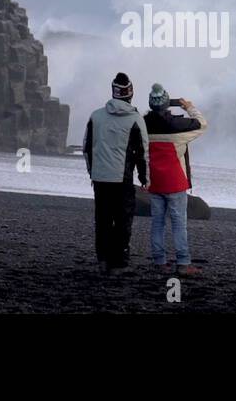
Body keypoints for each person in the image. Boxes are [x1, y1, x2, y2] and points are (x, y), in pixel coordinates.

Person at [83, 73, 149, 274]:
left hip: (100, 178)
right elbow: (142, 152)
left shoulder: (96, 116)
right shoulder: (136, 119)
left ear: (113, 92)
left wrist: (92, 172)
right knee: (122, 220)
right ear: (130, 93)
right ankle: (118, 262)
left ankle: (103, 259)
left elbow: (87, 148)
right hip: (122, 180)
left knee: (102, 220)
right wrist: (144, 178)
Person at [143, 83, 207, 276]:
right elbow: (202, 124)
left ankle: (159, 261)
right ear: (166, 105)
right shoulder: (177, 127)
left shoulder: (143, 125)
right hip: (175, 182)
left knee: (157, 222)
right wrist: (188, 107)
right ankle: (183, 262)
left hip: (154, 181)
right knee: (179, 223)